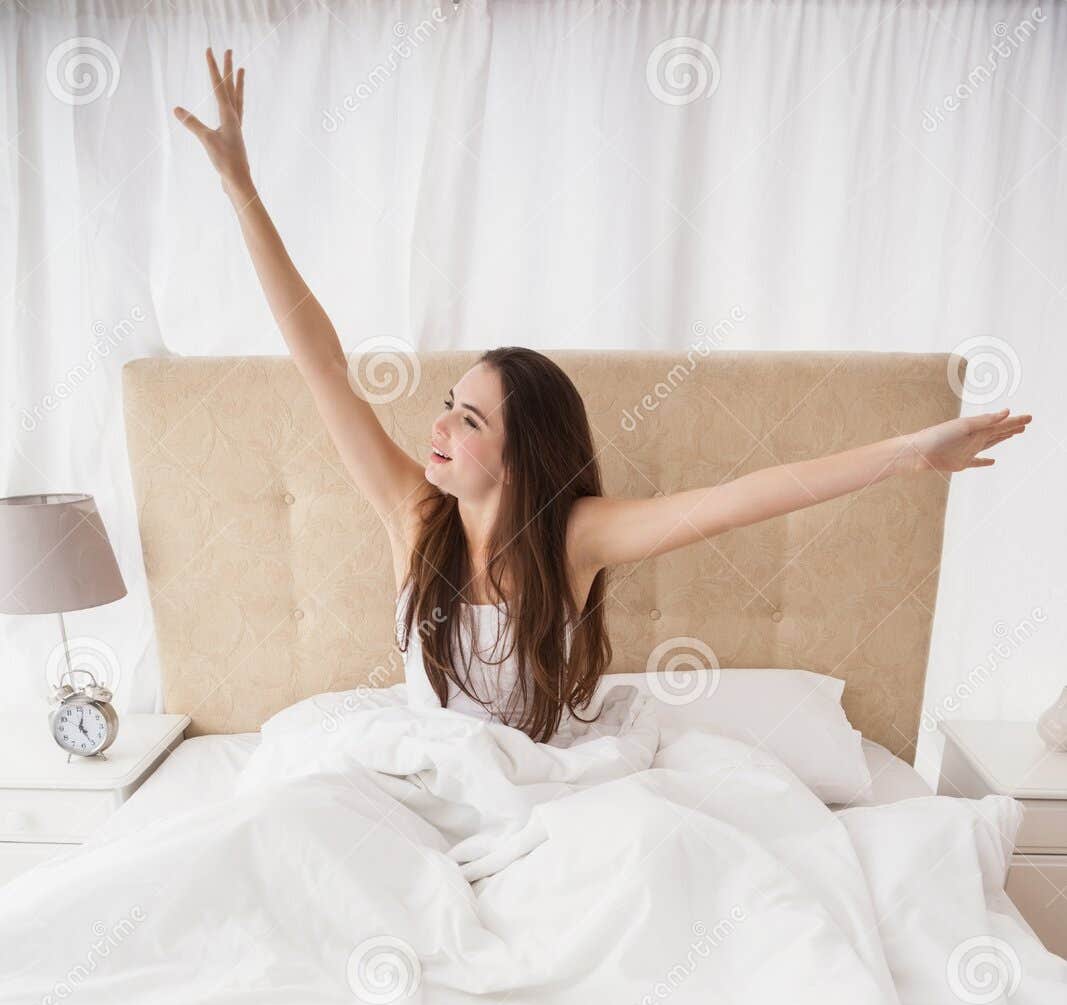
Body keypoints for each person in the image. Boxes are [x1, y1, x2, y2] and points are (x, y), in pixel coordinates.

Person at [175, 46, 1032, 745]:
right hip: (428, 775)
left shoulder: (574, 536)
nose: (436, 425)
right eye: (447, 403)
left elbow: (742, 500)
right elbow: (321, 363)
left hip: (541, 793)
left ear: (518, 460)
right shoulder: (412, 516)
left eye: (468, 419)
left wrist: (911, 454)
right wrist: (242, 192)